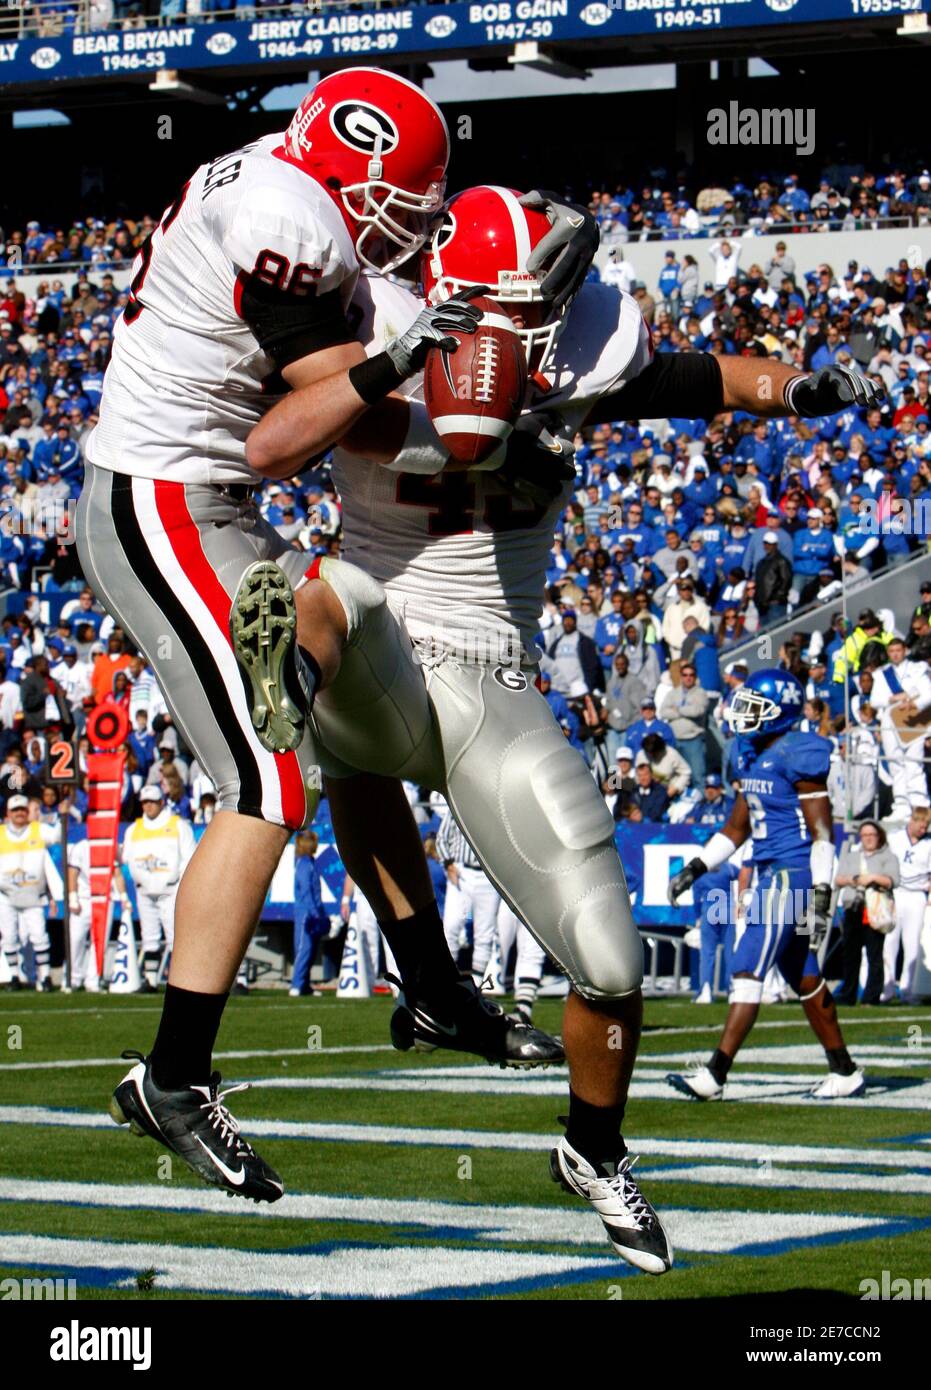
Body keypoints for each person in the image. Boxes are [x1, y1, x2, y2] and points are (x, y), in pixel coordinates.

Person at [266, 181, 881, 1269]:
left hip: (494, 674)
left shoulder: (587, 357)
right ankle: (273, 725)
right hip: (382, 633)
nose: (530, 323)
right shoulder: (372, 340)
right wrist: (462, 417)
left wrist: (804, 385)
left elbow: (708, 380)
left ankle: (593, 1147)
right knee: (325, 597)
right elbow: (302, 423)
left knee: (609, 961)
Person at [97, 71, 582, 1201]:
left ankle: (429, 983)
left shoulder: (287, 177)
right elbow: (306, 431)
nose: (409, 228)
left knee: (353, 733)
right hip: (167, 498)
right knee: (269, 780)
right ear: (346, 176)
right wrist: (474, 408)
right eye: (403, 204)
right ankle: (173, 1075)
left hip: (211, 497)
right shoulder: (288, 221)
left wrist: (479, 363)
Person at [667, 669, 865, 1100]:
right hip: (767, 870)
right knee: (803, 975)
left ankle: (715, 1076)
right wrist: (696, 867)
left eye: (755, 708)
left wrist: (820, 891)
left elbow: (823, 835)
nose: (744, 717)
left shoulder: (800, 753)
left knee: (746, 967)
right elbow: (737, 827)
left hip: (790, 875)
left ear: (782, 712)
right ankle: (845, 1070)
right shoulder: (749, 752)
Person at [121, 784, 197, 989]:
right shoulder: (133, 829)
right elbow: (125, 858)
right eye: (145, 802)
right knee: (149, 935)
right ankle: (151, 979)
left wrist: (180, 885)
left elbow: (189, 857)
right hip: (144, 890)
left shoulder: (178, 825)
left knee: (174, 935)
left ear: (161, 802)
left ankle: (178, 981)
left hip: (170, 890)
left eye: (152, 802)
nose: (148, 806)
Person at [833, 821, 900, 1006]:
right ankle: (848, 994)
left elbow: (893, 880)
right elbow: (838, 879)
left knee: (874, 955)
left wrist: (872, 878)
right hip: (853, 907)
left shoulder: (888, 857)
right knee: (850, 955)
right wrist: (854, 880)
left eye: (872, 834)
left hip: (874, 910)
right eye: (865, 835)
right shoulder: (851, 857)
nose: (868, 838)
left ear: (879, 836)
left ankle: (871, 996)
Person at [0, 794, 59, 991]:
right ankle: (14, 977)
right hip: (6, 894)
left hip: (34, 894)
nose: (19, 814)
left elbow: (58, 835)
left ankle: (45, 976)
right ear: (8, 813)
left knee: (39, 935)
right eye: (15, 810)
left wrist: (63, 814)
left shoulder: (39, 830)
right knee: (8, 936)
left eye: (22, 810)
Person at [868, 636, 931, 819]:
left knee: (914, 763)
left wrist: (912, 702)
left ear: (905, 651)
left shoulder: (917, 669)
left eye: (898, 650)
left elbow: (928, 693)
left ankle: (920, 806)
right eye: (892, 651)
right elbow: (874, 700)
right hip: (890, 721)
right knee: (895, 764)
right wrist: (893, 699)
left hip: (914, 718)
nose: (895, 654)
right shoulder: (882, 674)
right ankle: (902, 806)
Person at [884, 806, 931, 1005]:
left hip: (917, 895)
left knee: (912, 945)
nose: (923, 829)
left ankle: (907, 989)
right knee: (889, 941)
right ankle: (886, 989)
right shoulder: (895, 838)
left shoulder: (929, 843)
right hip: (895, 892)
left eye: (926, 826)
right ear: (912, 821)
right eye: (921, 824)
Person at [288, 830, 329, 997]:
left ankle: (304, 985)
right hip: (306, 913)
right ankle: (296, 984)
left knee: (311, 950)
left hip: (314, 911)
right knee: (304, 948)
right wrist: (315, 912)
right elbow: (306, 891)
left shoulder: (310, 862)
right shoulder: (304, 864)